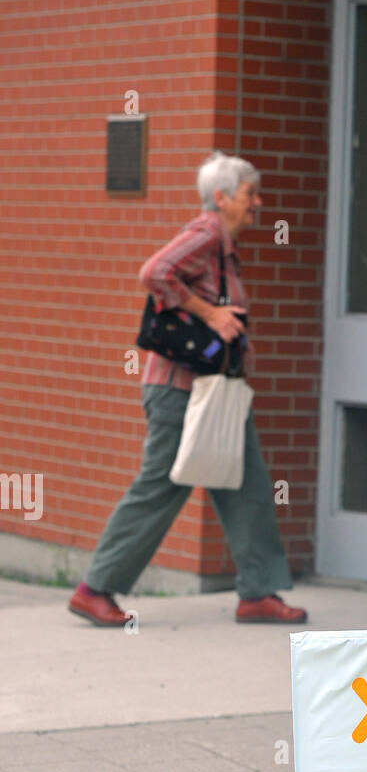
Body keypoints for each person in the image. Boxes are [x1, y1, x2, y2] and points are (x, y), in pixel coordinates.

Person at [69, 151, 307, 627]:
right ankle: (94, 589)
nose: (257, 202)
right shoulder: (205, 233)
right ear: (220, 198)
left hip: (218, 394)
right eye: (249, 194)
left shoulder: (223, 245)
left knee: (248, 485)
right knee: (161, 486)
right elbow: (153, 272)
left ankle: (257, 593)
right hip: (182, 392)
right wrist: (210, 313)